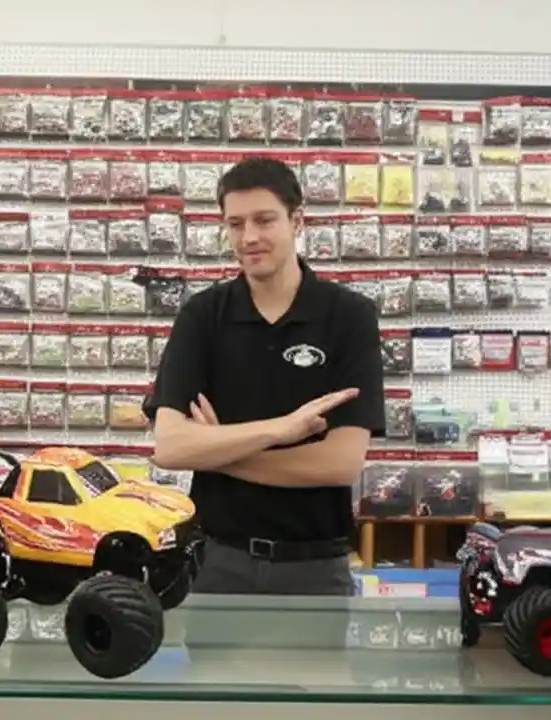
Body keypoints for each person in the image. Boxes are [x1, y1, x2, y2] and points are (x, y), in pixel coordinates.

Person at [144, 156, 386, 596]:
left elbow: (340, 463)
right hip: (217, 562)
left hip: (317, 568)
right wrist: (282, 430)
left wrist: (220, 451)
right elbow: (172, 446)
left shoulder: (348, 317)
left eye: (264, 220)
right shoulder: (201, 317)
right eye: (235, 224)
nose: (249, 237)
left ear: (297, 221)